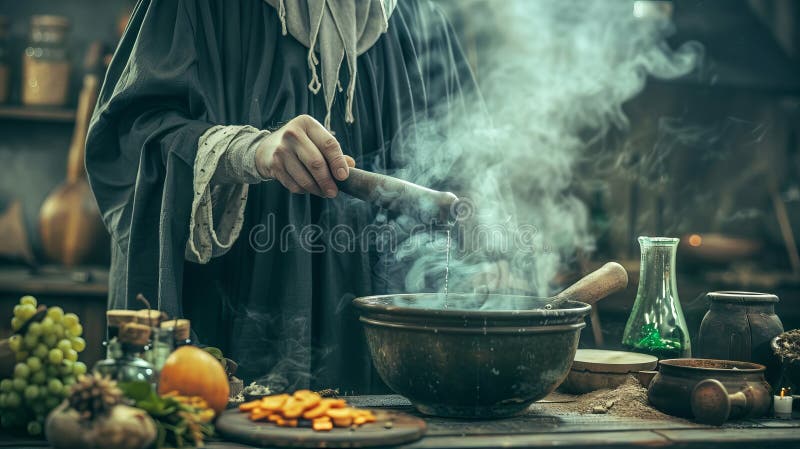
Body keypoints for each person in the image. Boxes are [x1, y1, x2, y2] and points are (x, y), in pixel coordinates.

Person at [86, 0, 476, 393]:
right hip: (229, 313)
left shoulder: (420, 19)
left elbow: (475, 174)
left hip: (384, 344)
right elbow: (128, 144)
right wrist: (246, 152)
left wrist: (487, 253)